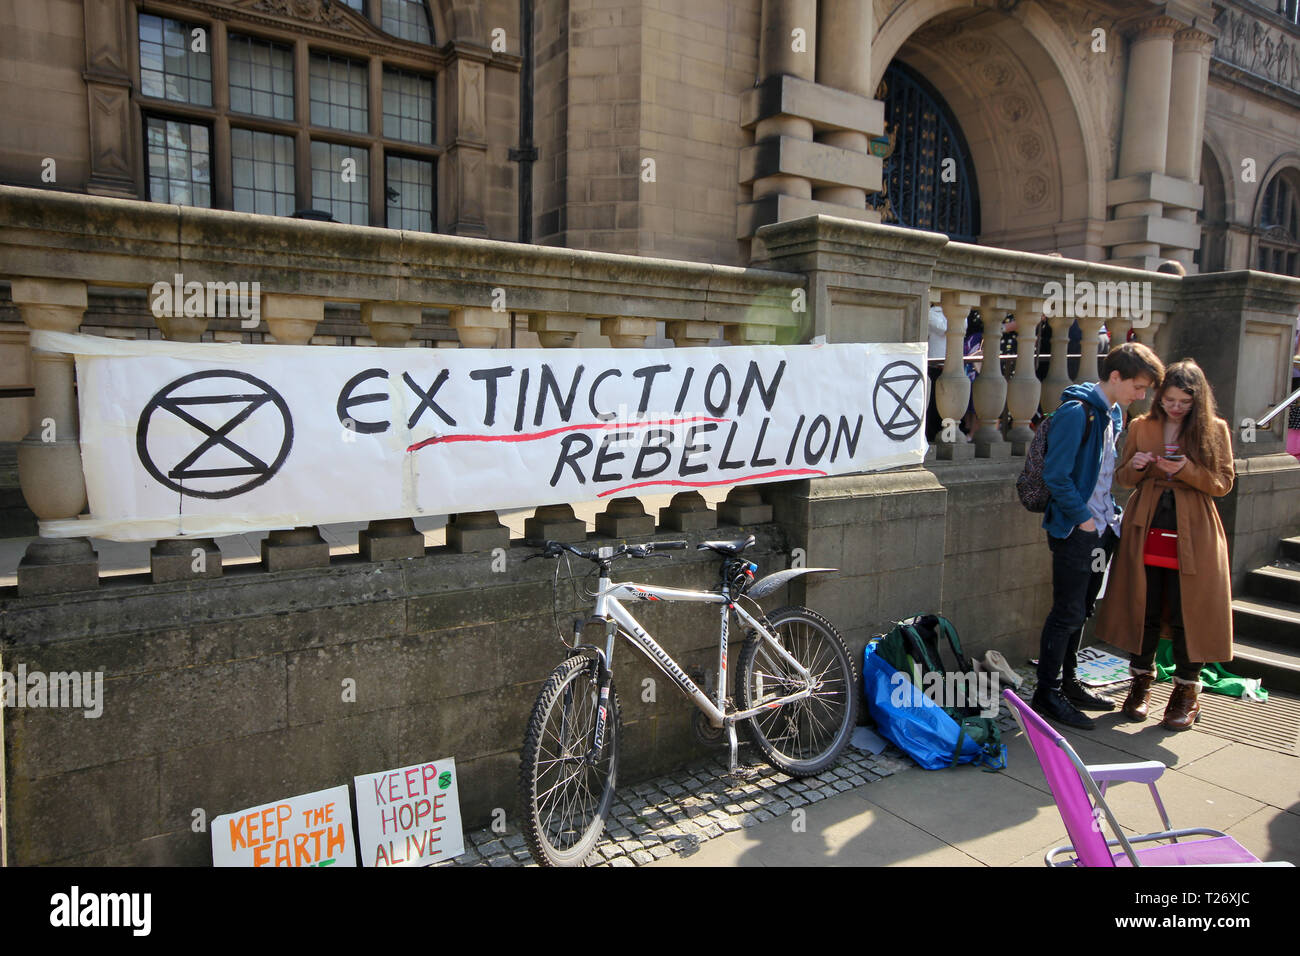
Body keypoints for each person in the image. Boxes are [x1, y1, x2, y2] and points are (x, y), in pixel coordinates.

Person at [1032, 342, 1165, 730]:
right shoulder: (1078, 412)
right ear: (1116, 377)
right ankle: (1047, 691)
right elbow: (1056, 474)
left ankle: (1069, 683)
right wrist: (1083, 521)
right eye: (1138, 387)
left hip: (1102, 529)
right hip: (1077, 532)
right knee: (1067, 610)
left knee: (1084, 607)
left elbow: (1101, 474)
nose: (1141, 396)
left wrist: (1104, 521)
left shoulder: (1114, 415)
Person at [1097, 360, 1236, 730]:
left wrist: (1186, 469)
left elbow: (1223, 483)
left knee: (1189, 608)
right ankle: (1141, 682)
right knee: (1144, 604)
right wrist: (1140, 465)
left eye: (1184, 402)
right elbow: (1123, 479)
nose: (1175, 407)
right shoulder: (1142, 426)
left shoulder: (1214, 430)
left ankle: (1187, 691)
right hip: (1147, 523)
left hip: (1195, 530)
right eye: (1169, 400)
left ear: (1198, 400)